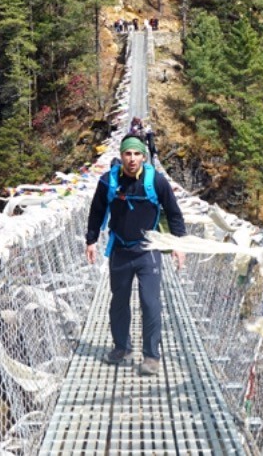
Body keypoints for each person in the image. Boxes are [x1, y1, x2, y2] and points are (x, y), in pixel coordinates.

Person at [86, 134, 185, 376]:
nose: (132, 159)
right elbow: (96, 211)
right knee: (118, 302)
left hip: (147, 250)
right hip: (120, 249)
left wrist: (178, 244)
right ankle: (122, 348)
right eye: (127, 154)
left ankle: (151, 356)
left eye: (137, 154)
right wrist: (90, 240)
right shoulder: (108, 181)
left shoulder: (156, 181)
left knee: (150, 303)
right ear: (121, 156)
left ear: (143, 156)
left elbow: (174, 213)